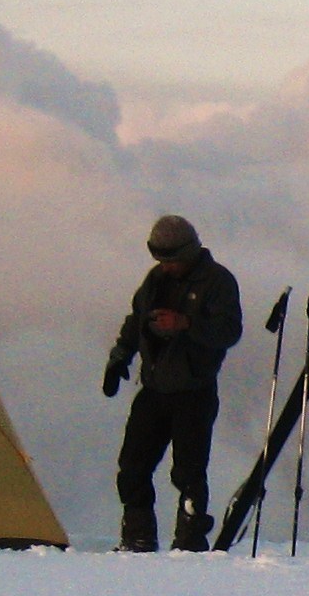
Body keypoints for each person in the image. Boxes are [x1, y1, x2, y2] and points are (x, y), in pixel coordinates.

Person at [104, 214, 243, 552]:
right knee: (132, 467)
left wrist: (185, 323)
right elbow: (136, 319)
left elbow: (229, 332)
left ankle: (190, 541)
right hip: (154, 388)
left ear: (189, 251)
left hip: (194, 392)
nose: (166, 267)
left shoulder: (217, 281)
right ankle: (137, 538)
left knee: (189, 473)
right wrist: (120, 357)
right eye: (160, 260)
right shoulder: (155, 280)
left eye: (171, 260)